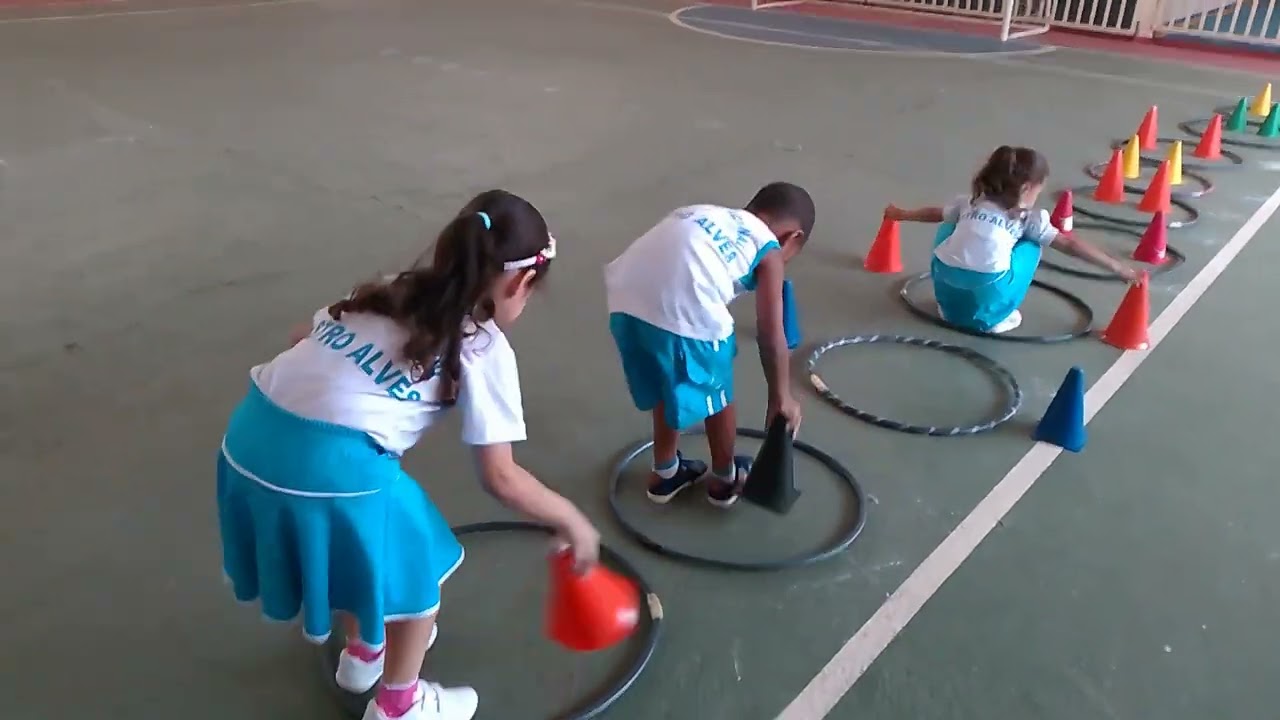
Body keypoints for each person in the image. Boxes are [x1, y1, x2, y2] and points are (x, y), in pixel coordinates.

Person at [216, 190, 600, 720]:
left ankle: (364, 652)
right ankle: (400, 705)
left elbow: (302, 336)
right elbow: (501, 477)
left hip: (247, 438)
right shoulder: (483, 349)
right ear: (519, 283)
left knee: (359, 544)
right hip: (331, 469)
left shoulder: (388, 290)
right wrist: (572, 520)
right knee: (420, 567)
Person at [605, 182, 814, 507]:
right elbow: (771, 333)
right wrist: (780, 397)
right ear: (792, 238)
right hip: (684, 305)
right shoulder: (770, 249)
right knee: (718, 394)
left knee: (664, 379)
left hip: (625, 297)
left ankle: (665, 471)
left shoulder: (706, 212)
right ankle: (724, 479)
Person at [885, 145, 1142, 335]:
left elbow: (933, 213)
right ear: (1027, 188)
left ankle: (952, 306)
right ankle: (996, 317)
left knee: (950, 224)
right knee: (1032, 243)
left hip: (945, 284)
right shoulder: (1029, 218)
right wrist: (1118, 268)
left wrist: (901, 214)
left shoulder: (970, 202)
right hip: (987, 291)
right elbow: (1070, 244)